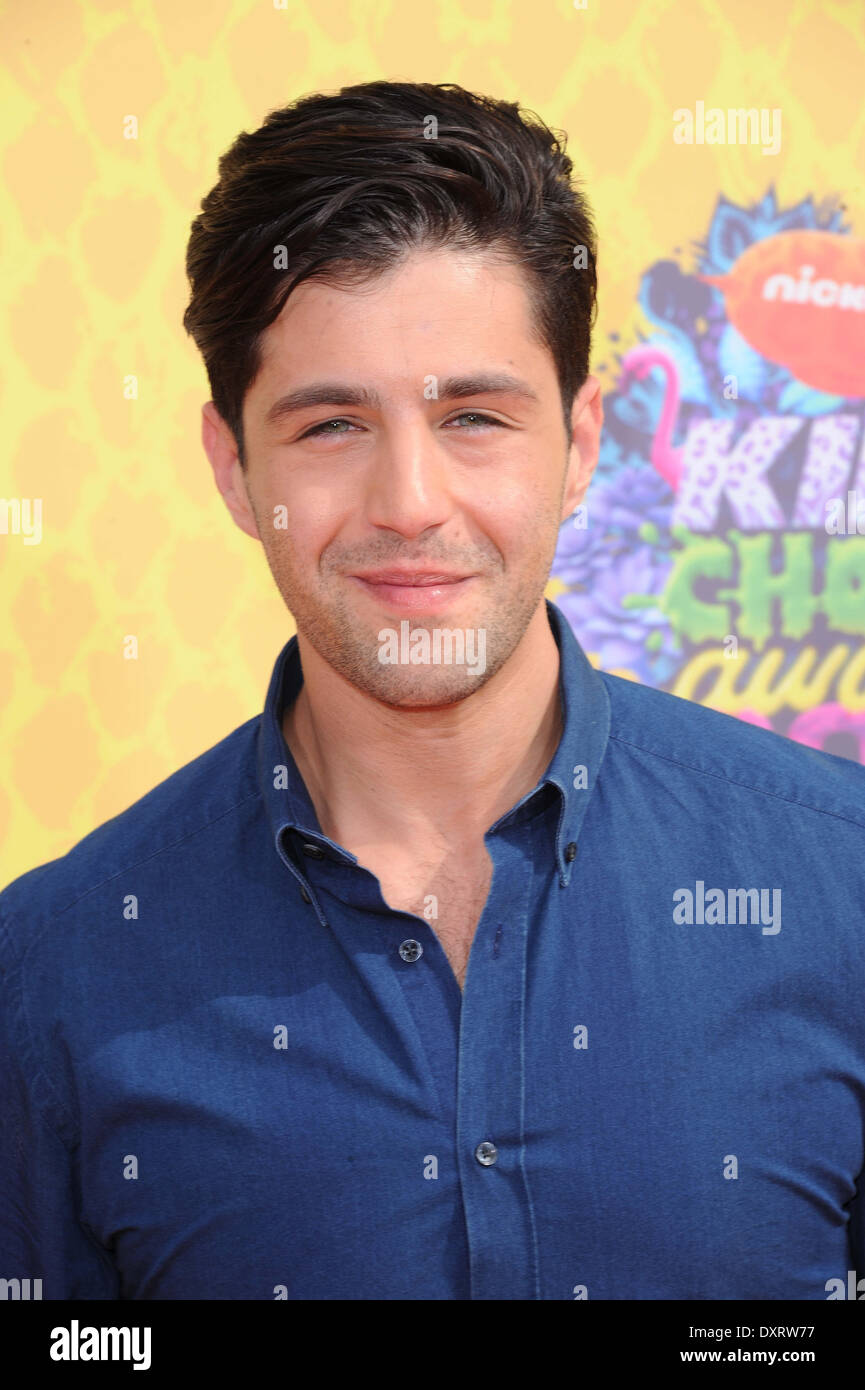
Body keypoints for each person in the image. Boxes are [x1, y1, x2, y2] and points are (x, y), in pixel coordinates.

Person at [1, 80, 863, 1302]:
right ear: (233, 470)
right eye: (332, 426)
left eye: (472, 416)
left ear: (581, 440)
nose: (409, 501)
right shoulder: (53, 971)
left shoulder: (841, 887)